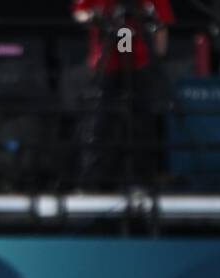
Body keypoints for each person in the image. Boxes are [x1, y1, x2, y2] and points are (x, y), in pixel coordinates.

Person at [73, 0, 175, 188]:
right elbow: (80, 13)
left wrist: (158, 56)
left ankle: (142, 179)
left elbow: (162, 25)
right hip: (106, 63)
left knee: (140, 122)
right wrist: (95, 17)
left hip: (139, 63)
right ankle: (94, 180)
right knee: (99, 122)